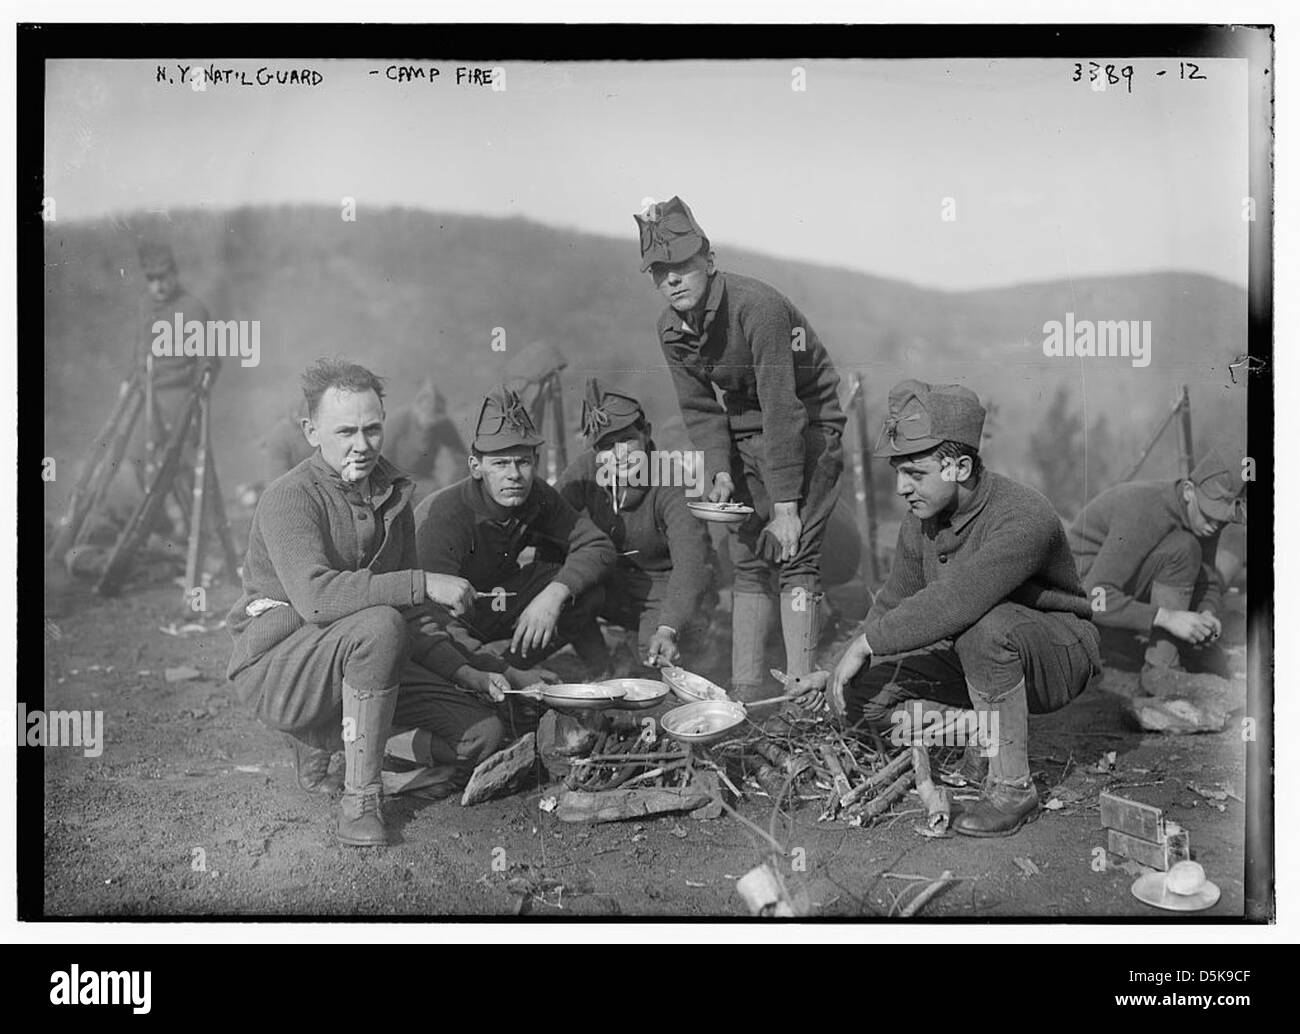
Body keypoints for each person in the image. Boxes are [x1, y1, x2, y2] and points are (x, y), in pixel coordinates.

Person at [226, 359, 516, 848]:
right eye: (345, 432)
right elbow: (318, 600)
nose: (361, 446)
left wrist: (466, 673)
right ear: (311, 431)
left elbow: (413, 617)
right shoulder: (290, 497)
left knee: (481, 735)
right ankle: (360, 797)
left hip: (364, 656)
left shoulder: (393, 495)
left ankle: (336, 741)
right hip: (281, 668)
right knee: (379, 625)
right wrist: (422, 581)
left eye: (372, 430)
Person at [828, 380, 1101, 837]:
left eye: (915, 473)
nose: (901, 487)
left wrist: (869, 642)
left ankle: (1014, 788)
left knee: (983, 626)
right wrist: (843, 662)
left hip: (1055, 654)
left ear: (958, 466)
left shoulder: (1023, 514)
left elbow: (960, 598)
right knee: (863, 696)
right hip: (975, 655)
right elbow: (896, 600)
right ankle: (979, 726)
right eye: (898, 472)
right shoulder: (920, 522)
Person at [636, 196, 845, 700]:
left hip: (807, 426)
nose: (673, 280)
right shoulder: (671, 330)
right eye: (661, 272)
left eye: (683, 266)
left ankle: (802, 693)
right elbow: (702, 411)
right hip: (748, 431)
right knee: (749, 554)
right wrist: (720, 470)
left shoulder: (759, 308)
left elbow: (783, 408)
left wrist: (787, 505)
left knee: (792, 553)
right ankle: (746, 694)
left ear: (709, 261)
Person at [413, 385, 615, 675]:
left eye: (523, 462)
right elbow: (432, 621)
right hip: (443, 626)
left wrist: (553, 595)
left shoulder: (536, 495)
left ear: (536, 461)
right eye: (500, 463)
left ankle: (516, 668)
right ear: (475, 466)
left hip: (493, 604)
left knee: (584, 589)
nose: (514, 475)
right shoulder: (444, 516)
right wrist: (500, 674)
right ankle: (502, 677)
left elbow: (597, 545)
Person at [556, 379, 719, 671]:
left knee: (656, 661)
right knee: (561, 589)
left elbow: (691, 563)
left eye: (626, 440)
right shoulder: (587, 468)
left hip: (665, 584)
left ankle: (696, 641)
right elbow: (548, 512)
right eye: (606, 446)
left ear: (646, 433)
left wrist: (668, 627)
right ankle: (601, 671)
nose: (618, 455)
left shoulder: (673, 479)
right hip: (613, 578)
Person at [1067, 449, 1246, 678]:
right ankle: (1161, 670)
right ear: (1189, 491)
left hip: (1119, 593)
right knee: (1184, 547)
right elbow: (1094, 597)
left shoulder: (1201, 516)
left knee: (1215, 661)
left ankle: (1152, 654)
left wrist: (1207, 613)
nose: (1214, 526)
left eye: (1221, 521)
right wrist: (1167, 617)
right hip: (1078, 601)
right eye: (1209, 516)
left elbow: (1208, 581)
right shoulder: (1145, 511)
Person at [129, 242, 217, 533]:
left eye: (164, 277)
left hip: (182, 395)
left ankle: (198, 528)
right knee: (139, 456)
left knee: (186, 463)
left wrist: (201, 387)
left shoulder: (192, 308)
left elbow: (209, 357)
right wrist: (131, 380)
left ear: (175, 274)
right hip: (150, 395)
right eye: (152, 279)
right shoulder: (145, 306)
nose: (159, 285)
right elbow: (140, 351)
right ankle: (167, 524)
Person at [383, 378, 469, 501]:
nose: (429, 421)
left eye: (434, 418)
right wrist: (390, 485)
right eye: (425, 414)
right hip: (395, 478)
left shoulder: (443, 425)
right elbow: (382, 456)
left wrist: (453, 488)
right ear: (417, 409)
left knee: (439, 502)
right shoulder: (399, 420)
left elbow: (462, 459)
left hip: (424, 480)